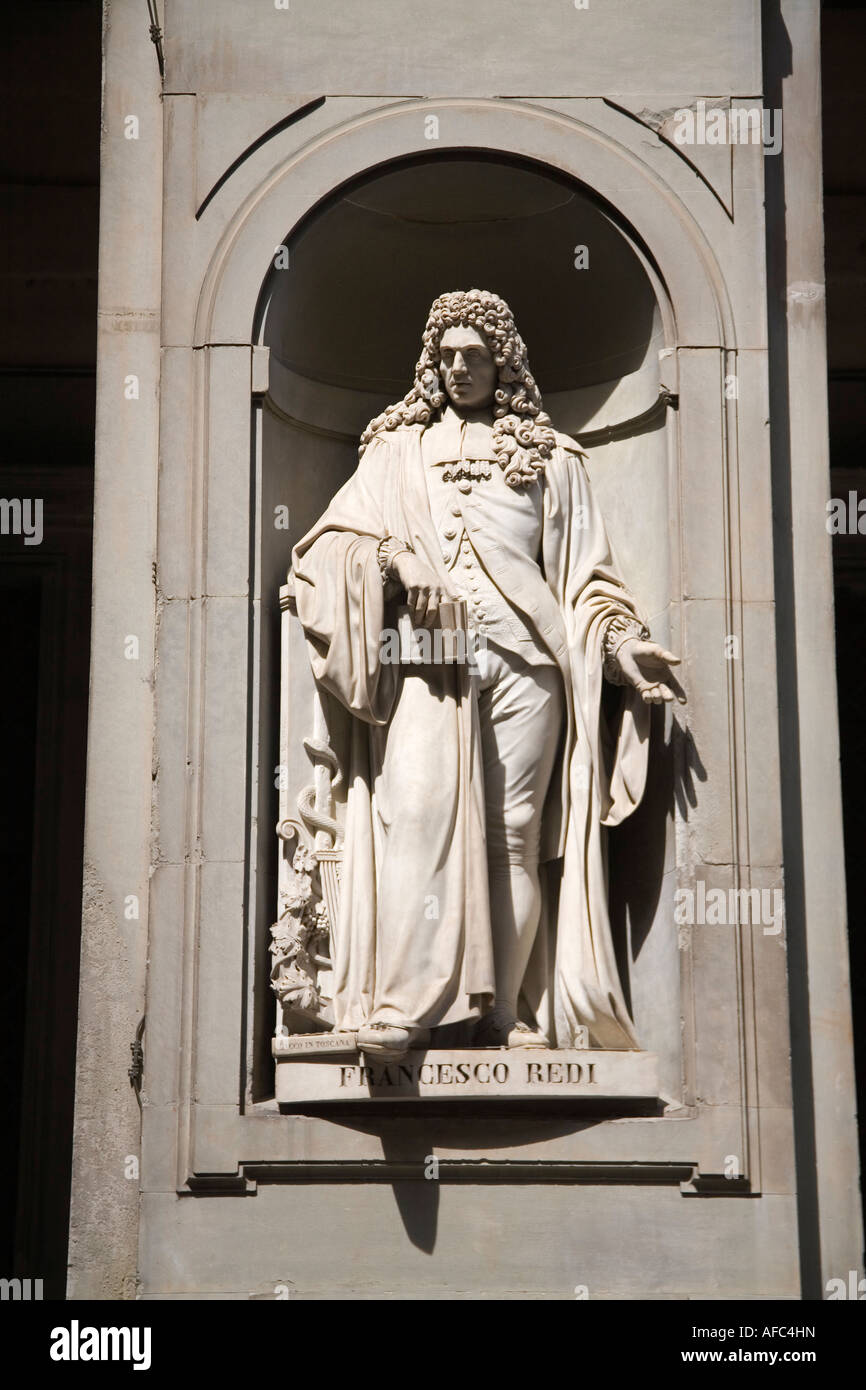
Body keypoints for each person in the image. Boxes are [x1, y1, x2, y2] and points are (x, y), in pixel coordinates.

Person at [291, 289, 681, 1059]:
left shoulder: (552, 458)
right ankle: (407, 1006)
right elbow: (324, 550)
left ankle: (505, 1016)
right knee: (414, 818)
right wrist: (395, 558)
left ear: (504, 359)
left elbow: (587, 579)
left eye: (474, 354)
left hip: (529, 663)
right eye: (447, 355)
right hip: (429, 665)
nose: (460, 366)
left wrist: (620, 648)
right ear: (431, 363)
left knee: (512, 842)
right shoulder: (393, 452)